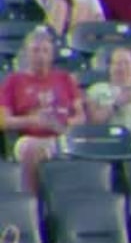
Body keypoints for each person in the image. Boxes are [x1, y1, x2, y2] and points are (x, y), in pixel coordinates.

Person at [0, 28, 86, 192]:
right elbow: (3, 121)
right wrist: (33, 120)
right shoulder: (13, 81)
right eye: (35, 50)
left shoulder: (65, 78)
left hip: (62, 138)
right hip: (31, 138)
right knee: (30, 148)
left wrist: (62, 123)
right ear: (26, 54)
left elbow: (81, 116)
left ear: (52, 54)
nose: (40, 56)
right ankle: (32, 201)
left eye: (45, 51)